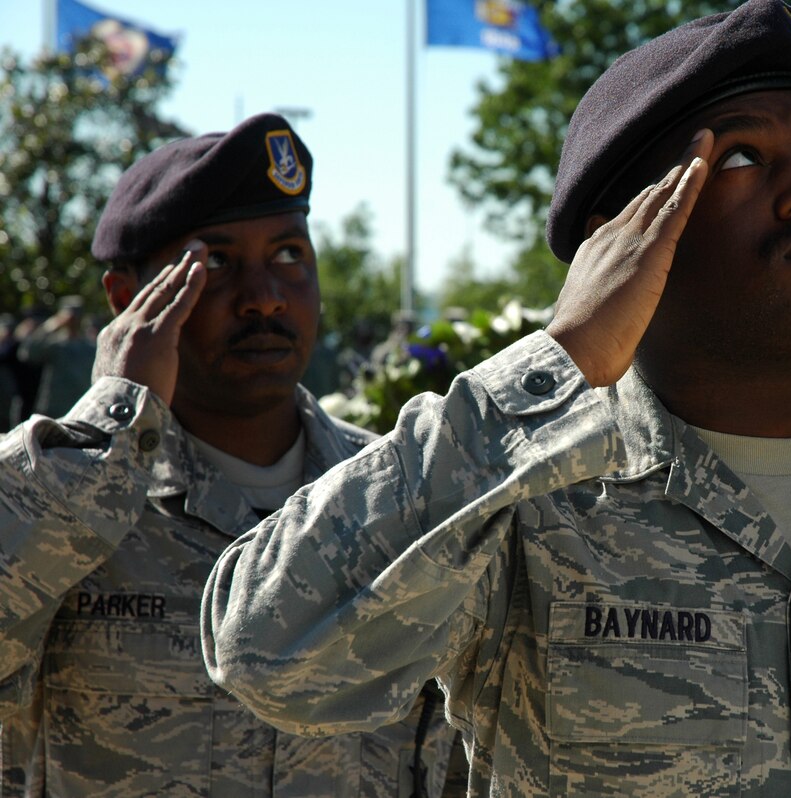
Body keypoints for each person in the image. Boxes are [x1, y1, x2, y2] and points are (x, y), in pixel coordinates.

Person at [202, 4, 791, 796]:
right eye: (744, 160)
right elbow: (265, 651)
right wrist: (558, 360)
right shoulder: (524, 503)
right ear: (627, 240)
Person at [0, 113, 455, 797]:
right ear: (127, 300)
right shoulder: (66, 494)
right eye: (214, 264)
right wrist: (116, 419)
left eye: (289, 256)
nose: (265, 299)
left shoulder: (394, 499)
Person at [16, 294, 97, 419]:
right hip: (52, 410)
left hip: (80, 410)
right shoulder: (53, 345)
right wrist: (51, 325)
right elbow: (26, 353)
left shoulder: (90, 347)